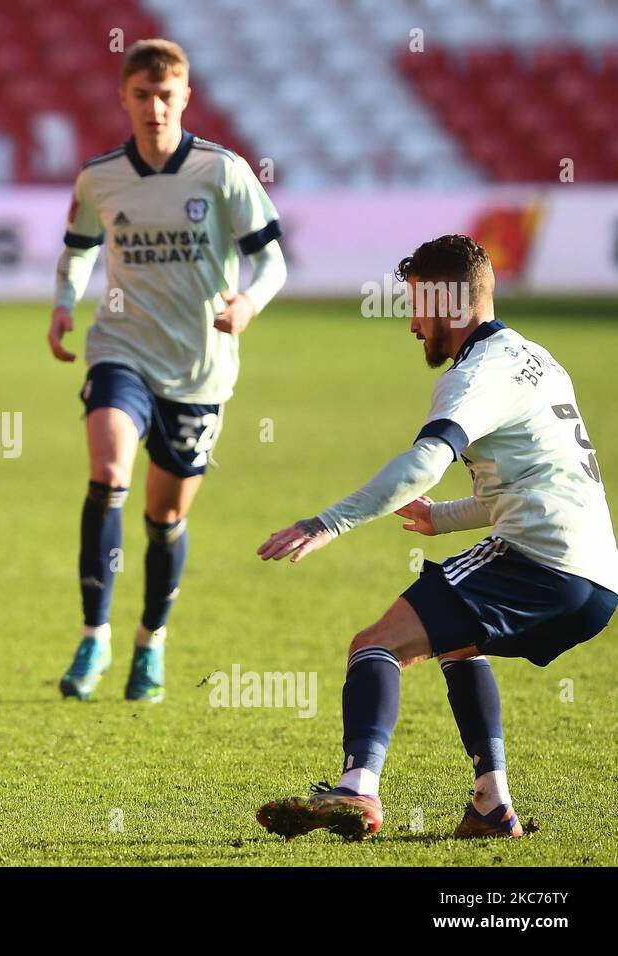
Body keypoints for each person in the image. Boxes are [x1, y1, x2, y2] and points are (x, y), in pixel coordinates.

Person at [256, 235, 618, 840]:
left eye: (418, 305)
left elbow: (424, 462)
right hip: (597, 578)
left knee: (374, 645)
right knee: (457, 643)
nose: (413, 325)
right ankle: (490, 804)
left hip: (541, 560)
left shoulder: (475, 376)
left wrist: (327, 522)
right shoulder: (536, 358)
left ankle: (358, 789)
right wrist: (442, 518)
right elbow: (531, 482)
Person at [49, 39, 287, 702]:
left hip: (200, 369)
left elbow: (273, 259)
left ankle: (149, 643)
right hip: (121, 349)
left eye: (166, 95)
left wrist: (249, 301)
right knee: (109, 473)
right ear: (125, 98)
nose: (155, 107)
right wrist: (65, 305)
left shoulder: (222, 171)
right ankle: (94, 636)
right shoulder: (100, 177)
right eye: (142, 95)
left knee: (165, 517)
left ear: (185, 98)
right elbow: (78, 249)